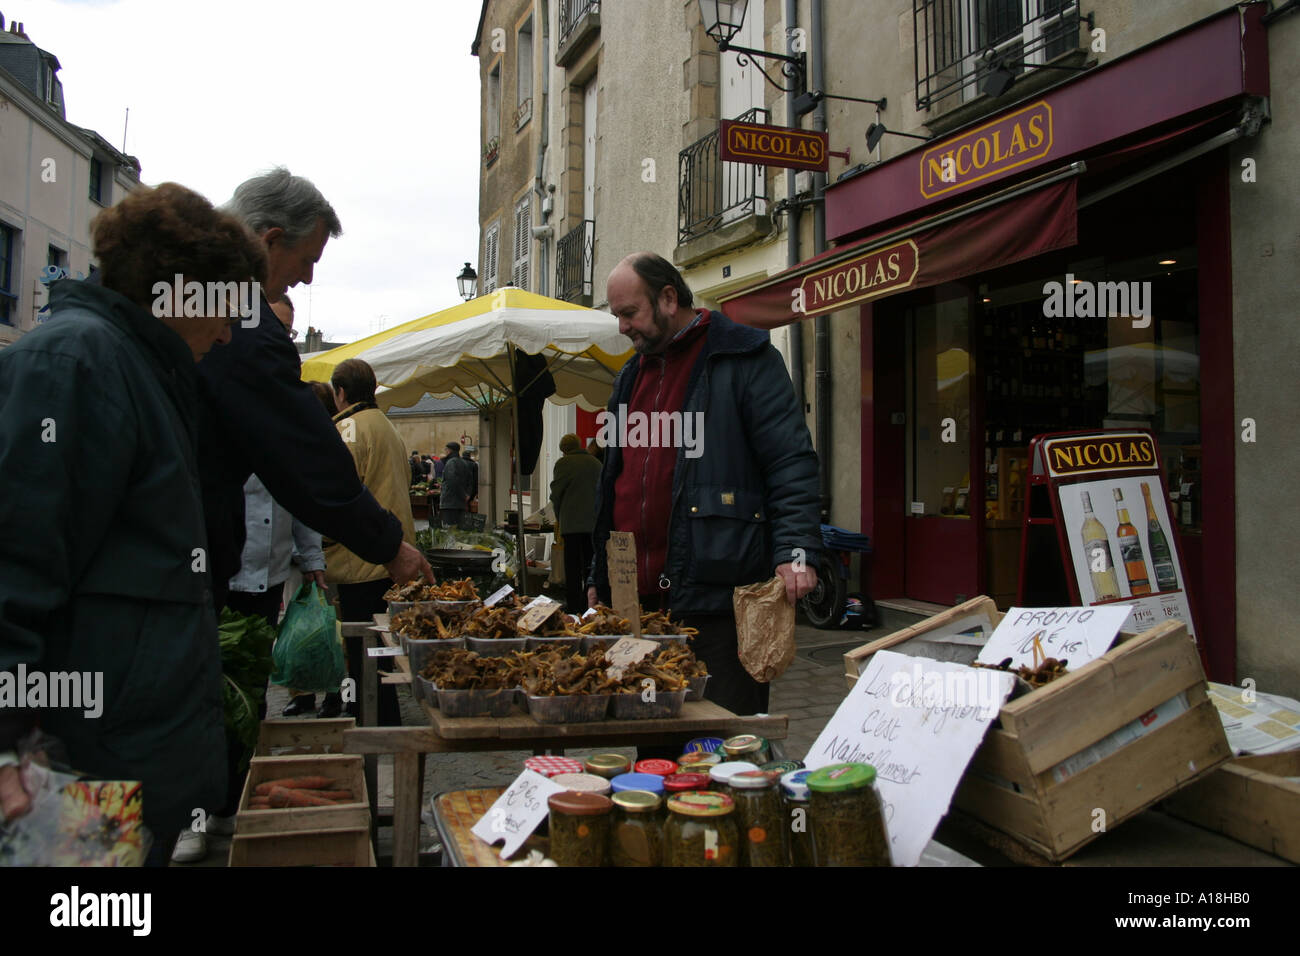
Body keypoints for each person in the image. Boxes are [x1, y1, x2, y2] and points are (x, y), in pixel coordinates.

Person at [0, 183, 267, 863]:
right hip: (79, 776)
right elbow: (13, 564)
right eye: (226, 307)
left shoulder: (137, 368)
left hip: (124, 764)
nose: (229, 330)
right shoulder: (76, 363)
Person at [587, 253, 821, 716]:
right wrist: (599, 573)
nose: (622, 328)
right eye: (616, 316)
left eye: (629, 313)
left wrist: (797, 552)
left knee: (720, 741)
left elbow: (790, 460)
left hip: (720, 597)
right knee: (653, 741)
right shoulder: (630, 376)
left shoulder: (745, 356)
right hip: (638, 602)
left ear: (668, 298)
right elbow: (615, 481)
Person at [195, 166, 432, 619]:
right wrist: (387, 545)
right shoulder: (242, 325)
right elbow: (304, 456)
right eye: (307, 260)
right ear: (270, 241)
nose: (305, 279)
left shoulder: (202, 301)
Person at [324, 358, 417, 724]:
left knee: (362, 653)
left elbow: (338, 496)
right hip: (394, 555)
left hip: (358, 559)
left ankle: (372, 725)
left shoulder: (346, 430)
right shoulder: (389, 428)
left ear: (341, 392)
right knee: (381, 652)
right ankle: (383, 719)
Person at [551, 433, 602, 614]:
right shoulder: (596, 463)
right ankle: (588, 603)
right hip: (593, 525)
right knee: (589, 565)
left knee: (572, 567)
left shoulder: (563, 464)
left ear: (564, 449)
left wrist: (559, 515)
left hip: (571, 524)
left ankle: (573, 606)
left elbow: (556, 494)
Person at [439, 441, 474, 528]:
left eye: (446, 449)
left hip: (450, 502)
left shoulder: (451, 462)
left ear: (450, 450)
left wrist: (463, 495)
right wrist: (467, 495)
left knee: (450, 530)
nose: (445, 451)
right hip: (460, 503)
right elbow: (470, 481)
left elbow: (452, 481)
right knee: (459, 529)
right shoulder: (464, 462)